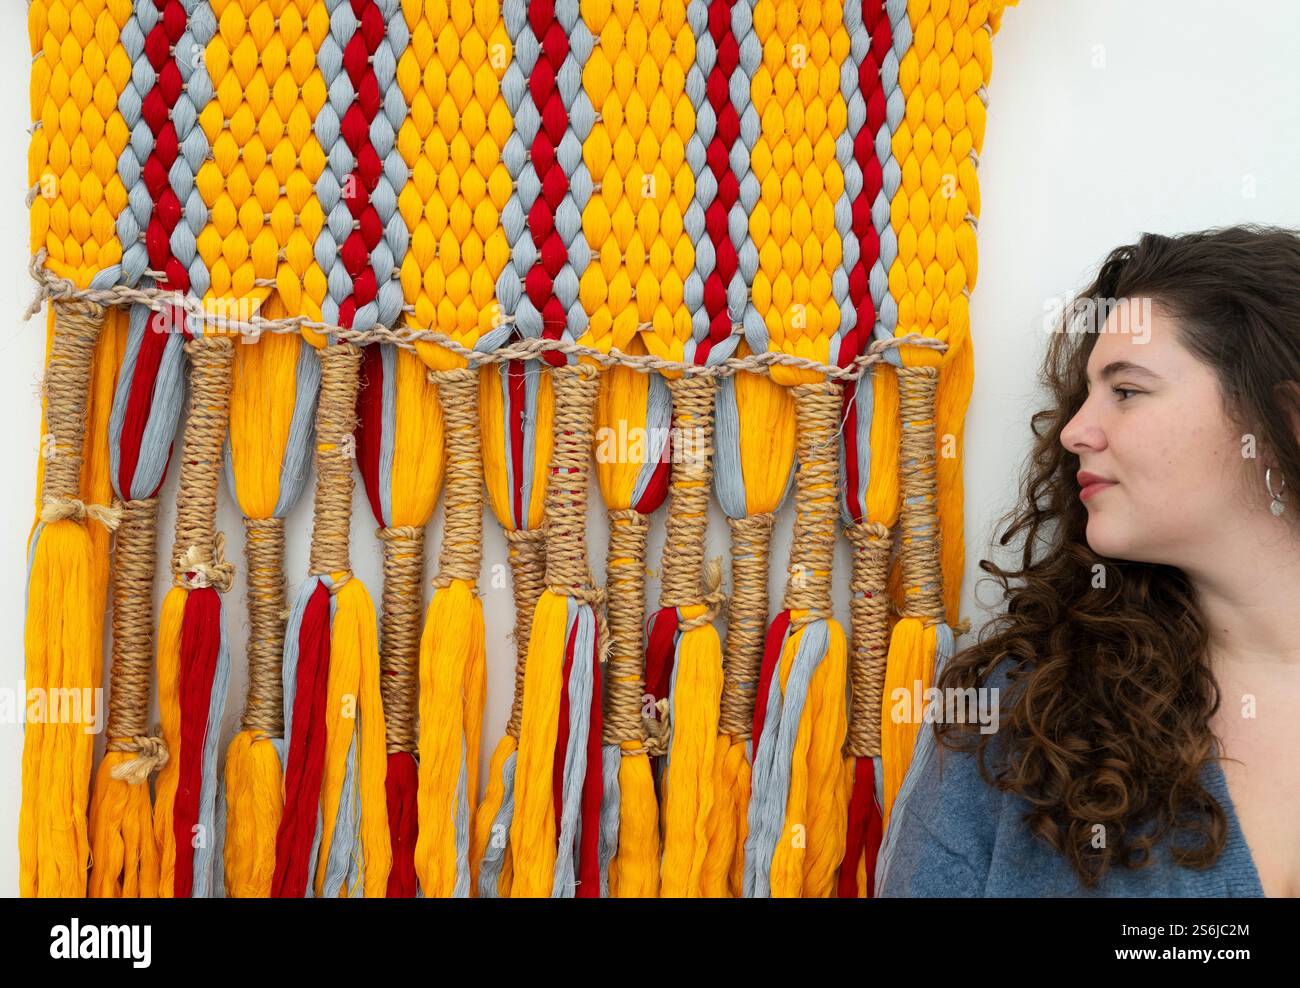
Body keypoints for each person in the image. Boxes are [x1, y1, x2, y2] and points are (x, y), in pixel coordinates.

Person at [877, 225, 1300, 897]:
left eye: (1127, 391)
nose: (1075, 430)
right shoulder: (1025, 713)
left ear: (1285, 421)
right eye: (1087, 393)